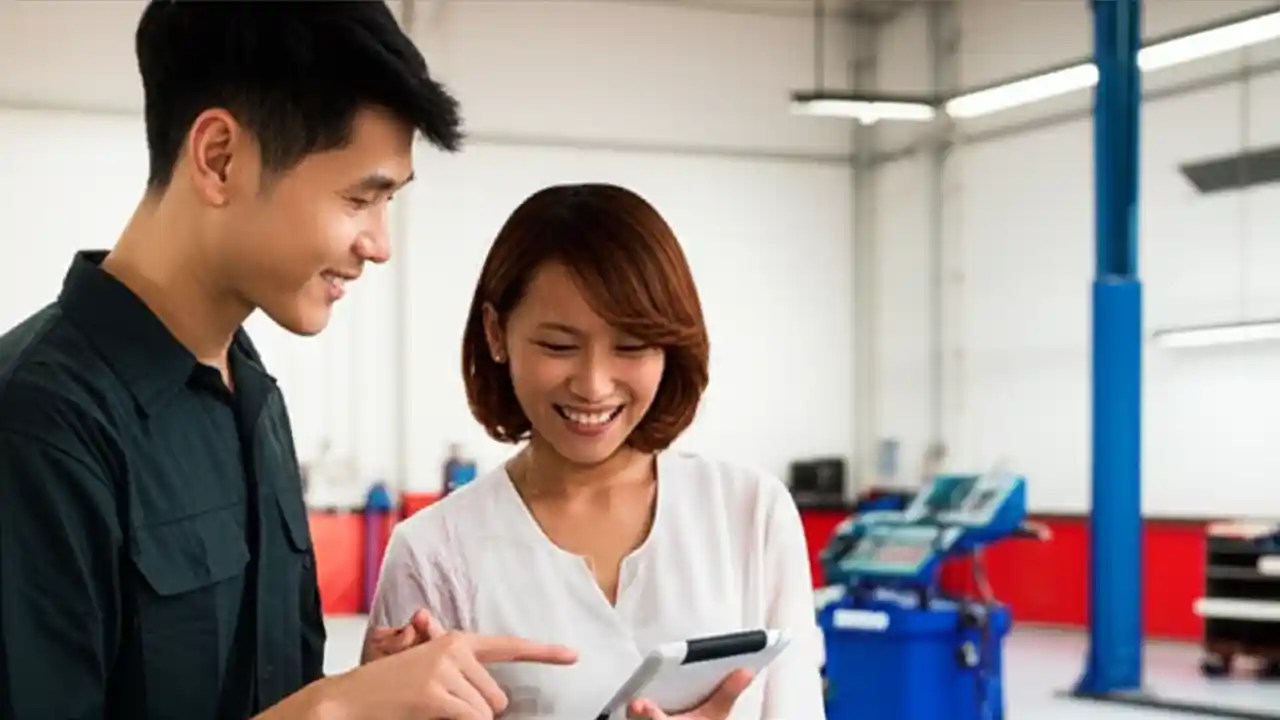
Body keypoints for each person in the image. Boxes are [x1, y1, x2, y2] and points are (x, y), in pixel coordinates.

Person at [0, 2, 577, 719]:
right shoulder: (37, 425)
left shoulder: (251, 397)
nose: (379, 243)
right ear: (220, 158)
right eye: (360, 198)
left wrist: (369, 686)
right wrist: (331, 710)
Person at [367, 183, 827, 719]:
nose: (593, 385)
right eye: (558, 346)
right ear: (496, 333)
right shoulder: (436, 552)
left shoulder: (749, 512)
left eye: (631, 347)